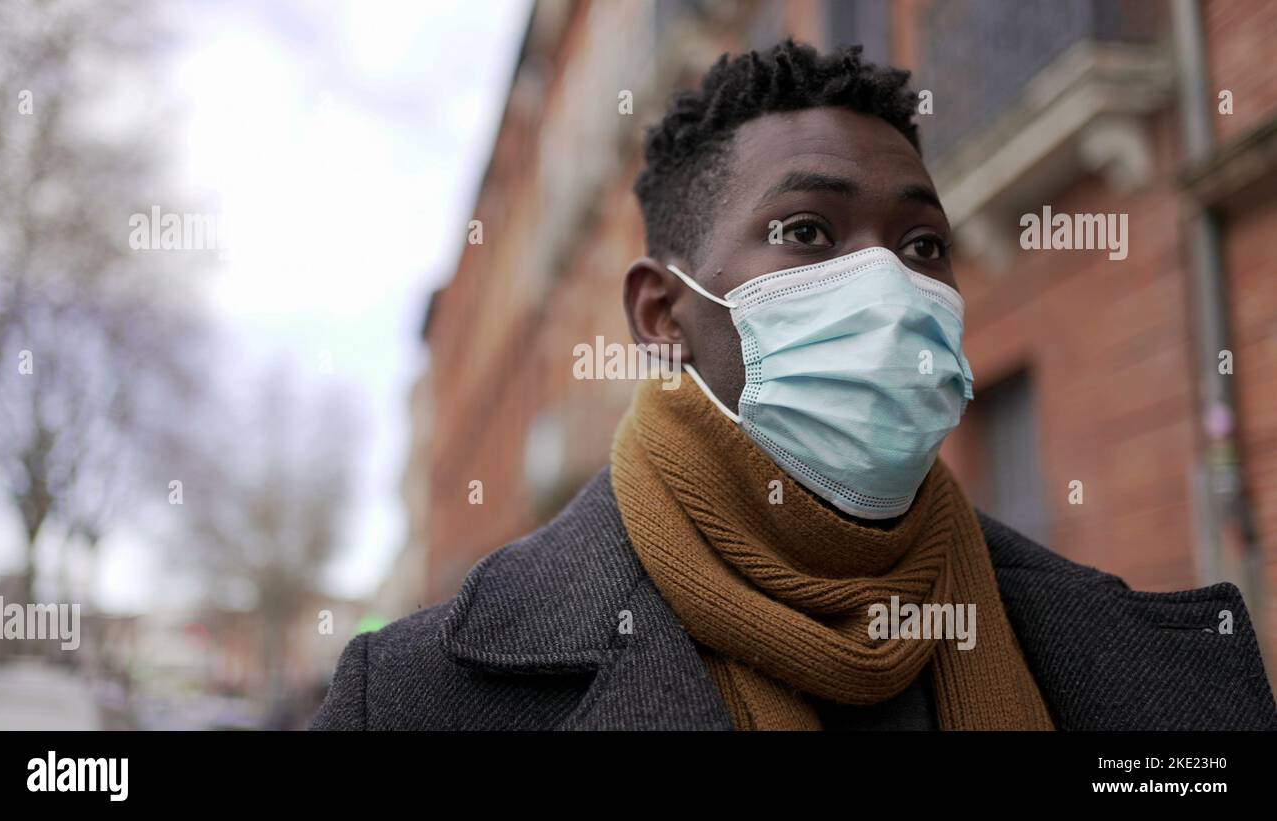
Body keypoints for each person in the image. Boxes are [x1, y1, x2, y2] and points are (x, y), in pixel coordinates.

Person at [310, 39, 1277, 731]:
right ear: (660, 313)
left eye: (922, 244)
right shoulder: (416, 696)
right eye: (809, 230)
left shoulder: (1146, 671)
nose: (891, 284)